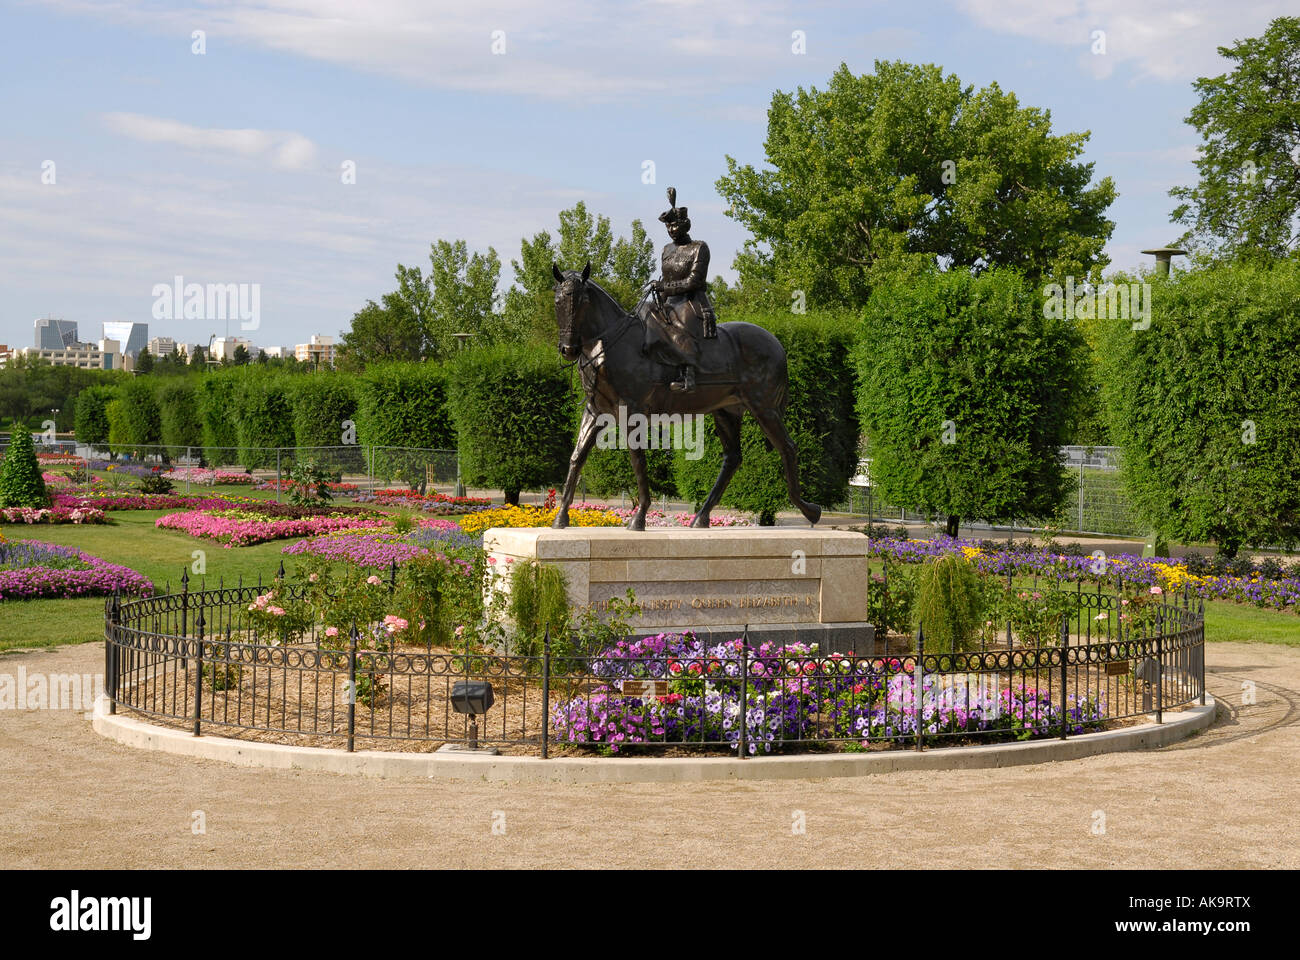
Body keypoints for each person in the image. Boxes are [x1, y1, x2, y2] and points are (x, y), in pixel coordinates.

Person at [649, 187, 717, 392]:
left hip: (692, 301)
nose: (671, 229)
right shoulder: (666, 250)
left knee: (682, 324)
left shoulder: (699, 247)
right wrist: (658, 294)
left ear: (685, 225)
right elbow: (666, 278)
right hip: (670, 302)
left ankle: (689, 376)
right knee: (646, 317)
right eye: (668, 226)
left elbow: (694, 281)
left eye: (675, 225)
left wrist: (665, 286)